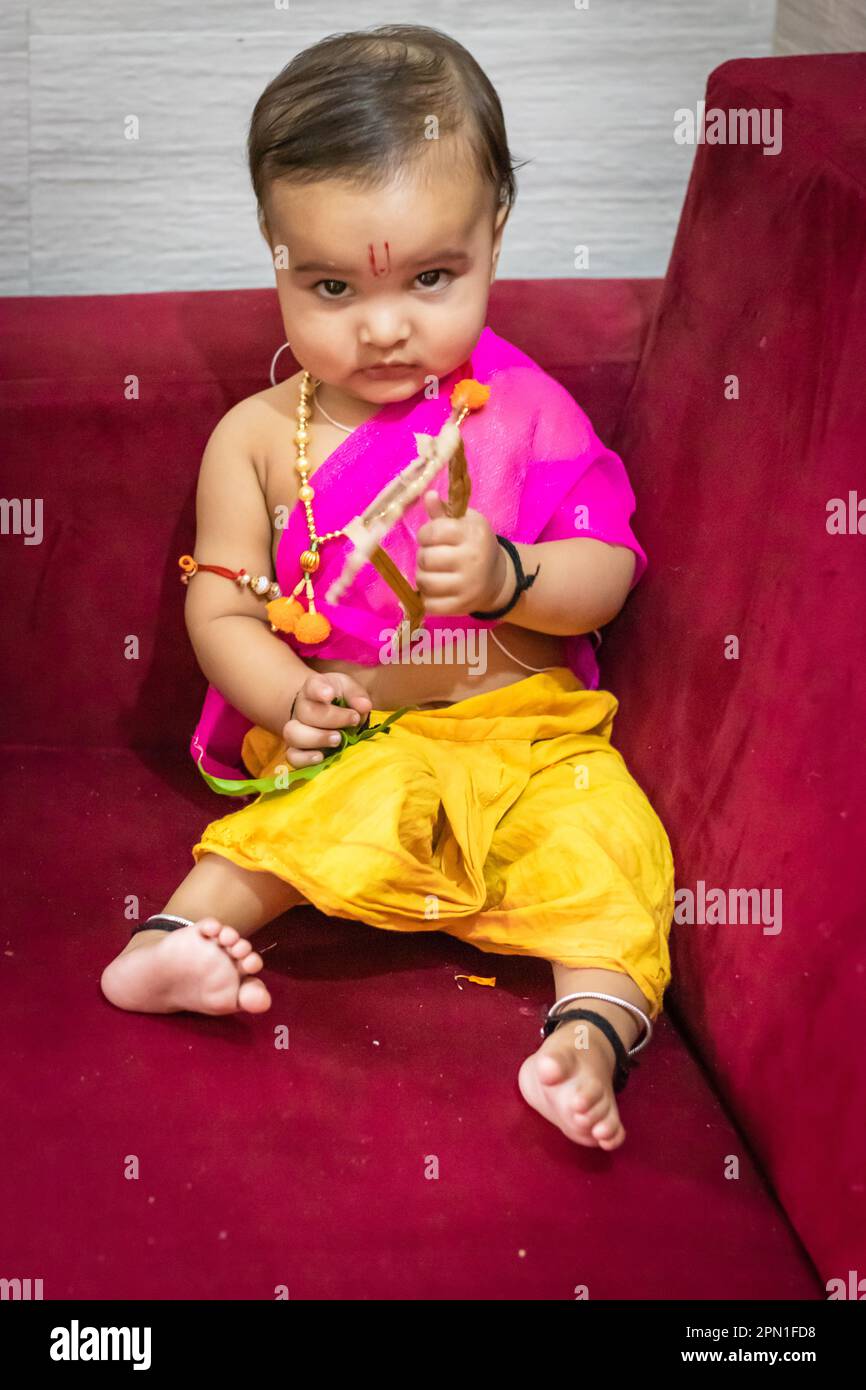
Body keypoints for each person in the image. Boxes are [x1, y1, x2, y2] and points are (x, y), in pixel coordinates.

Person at [100, 24, 675, 1152]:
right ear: (272, 256)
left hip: (528, 735)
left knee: (612, 843)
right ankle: (169, 943)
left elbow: (606, 575)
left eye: (430, 277)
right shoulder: (258, 441)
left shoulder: (526, 409)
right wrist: (284, 700)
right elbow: (218, 607)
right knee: (309, 822)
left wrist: (513, 577)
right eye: (327, 285)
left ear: (491, 240)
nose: (382, 326)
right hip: (357, 733)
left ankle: (587, 1036)